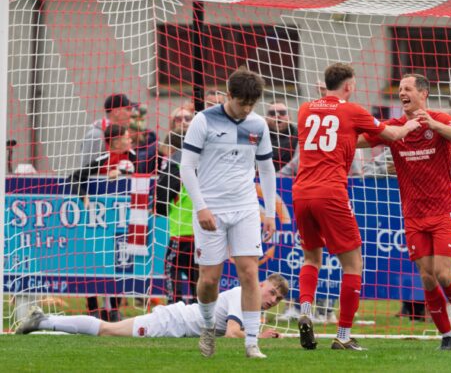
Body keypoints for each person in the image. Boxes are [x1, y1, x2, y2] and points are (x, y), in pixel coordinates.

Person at [293, 63, 419, 351]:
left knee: (311, 259)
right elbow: (391, 135)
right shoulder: (352, 110)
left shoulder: (305, 110)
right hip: (330, 193)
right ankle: (343, 335)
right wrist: (409, 125)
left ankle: (306, 309)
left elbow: (338, 132)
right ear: (349, 86)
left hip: (300, 192)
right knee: (353, 265)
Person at [359, 74, 451, 350]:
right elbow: (358, 141)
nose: (402, 93)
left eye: (408, 89)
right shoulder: (394, 127)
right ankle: (446, 336)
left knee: (443, 274)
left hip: (443, 209)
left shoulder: (439, 119)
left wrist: (433, 125)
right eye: (400, 89)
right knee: (426, 277)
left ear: (423, 94)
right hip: (413, 213)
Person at [180, 67, 277, 359]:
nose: (246, 109)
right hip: (212, 209)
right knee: (210, 279)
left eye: (251, 104)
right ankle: (208, 327)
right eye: (242, 103)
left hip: (246, 208)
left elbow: (266, 168)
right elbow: (187, 167)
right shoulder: (203, 120)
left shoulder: (258, 124)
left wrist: (270, 213)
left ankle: (251, 342)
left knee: (250, 272)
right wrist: (201, 207)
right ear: (228, 95)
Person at [16, 274, 289, 339]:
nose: (272, 299)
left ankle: (44, 320)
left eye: (277, 299)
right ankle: (43, 321)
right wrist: (259, 338)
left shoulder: (249, 303)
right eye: (272, 291)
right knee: (108, 330)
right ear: (260, 284)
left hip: (179, 322)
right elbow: (231, 333)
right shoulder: (243, 295)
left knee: (109, 329)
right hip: (172, 322)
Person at [70, 123, 138, 322]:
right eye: (126, 136)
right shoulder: (102, 160)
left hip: (124, 221)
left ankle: (114, 309)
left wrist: (123, 174)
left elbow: (148, 175)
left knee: (119, 263)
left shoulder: (135, 158)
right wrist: (84, 196)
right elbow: (75, 178)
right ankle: (93, 308)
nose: (130, 139)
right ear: (115, 141)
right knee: (94, 263)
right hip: (99, 222)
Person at [155, 132, 198, 304]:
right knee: (196, 275)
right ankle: (199, 310)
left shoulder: (174, 167)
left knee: (171, 270)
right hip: (200, 234)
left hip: (181, 233)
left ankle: (175, 307)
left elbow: (161, 196)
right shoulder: (199, 166)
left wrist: (159, 209)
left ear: (171, 148)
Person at [81, 93, 133, 166]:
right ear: (116, 112)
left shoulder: (123, 134)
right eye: (128, 109)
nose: (131, 114)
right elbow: (87, 168)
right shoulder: (96, 135)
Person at [266, 102, 298, 171]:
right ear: (266, 118)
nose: (277, 116)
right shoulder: (259, 135)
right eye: (272, 113)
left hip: (292, 176)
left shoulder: (299, 135)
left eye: (282, 113)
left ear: (290, 117)